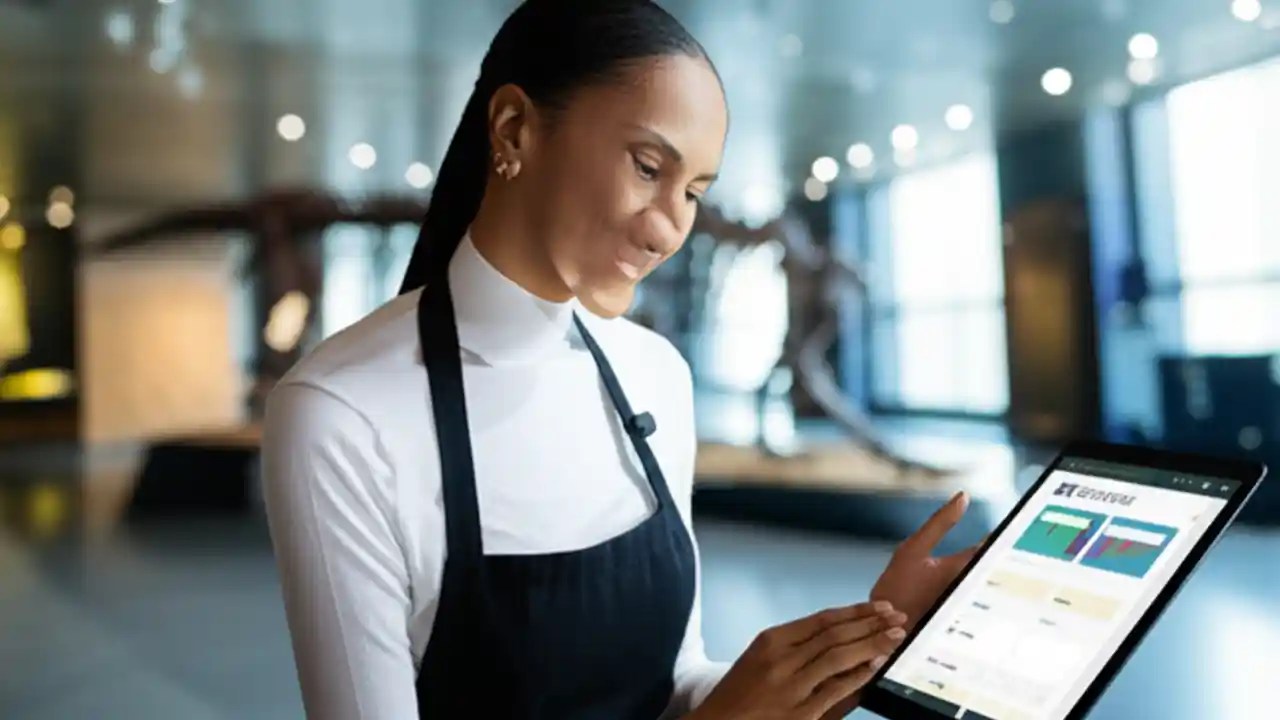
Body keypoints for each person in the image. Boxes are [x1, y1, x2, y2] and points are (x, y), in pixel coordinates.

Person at [260, 1, 980, 718]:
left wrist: (867, 644)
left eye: (694, 192)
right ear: (514, 129)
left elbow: (675, 682)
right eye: (647, 167)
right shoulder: (340, 416)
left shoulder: (656, 374)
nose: (671, 229)